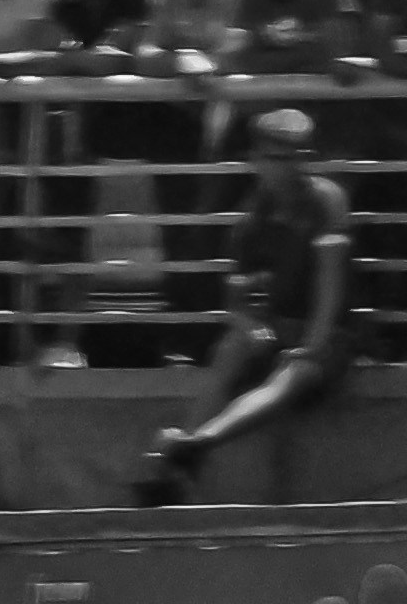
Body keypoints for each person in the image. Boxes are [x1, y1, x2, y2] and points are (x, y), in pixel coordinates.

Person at [136, 108, 353, 506]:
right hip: (278, 327)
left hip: (328, 335)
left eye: (295, 158)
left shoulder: (326, 200)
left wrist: (312, 343)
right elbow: (237, 293)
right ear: (255, 159)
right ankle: (183, 455)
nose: (285, 168)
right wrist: (248, 323)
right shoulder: (253, 216)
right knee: (232, 347)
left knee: (294, 370)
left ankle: (199, 442)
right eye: (275, 158)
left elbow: (330, 284)